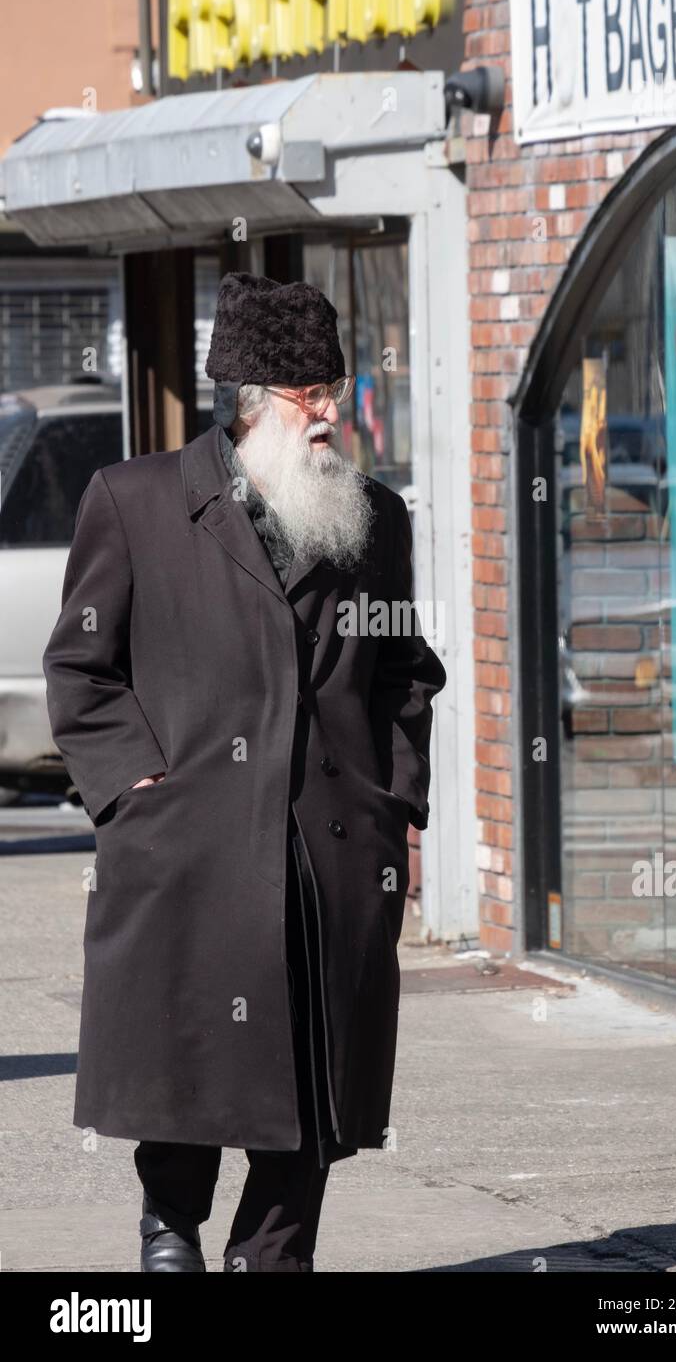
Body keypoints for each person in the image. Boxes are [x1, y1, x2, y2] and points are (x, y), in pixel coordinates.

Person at [42, 271, 447, 1272]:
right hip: (187, 847)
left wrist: (396, 803)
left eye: (335, 390)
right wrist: (131, 791)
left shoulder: (372, 520)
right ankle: (169, 1228)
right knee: (186, 1061)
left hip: (330, 851)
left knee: (316, 1083)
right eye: (314, 394)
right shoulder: (134, 501)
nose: (332, 414)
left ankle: (271, 1258)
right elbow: (81, 668)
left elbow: (404, 670)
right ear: (259, 401)